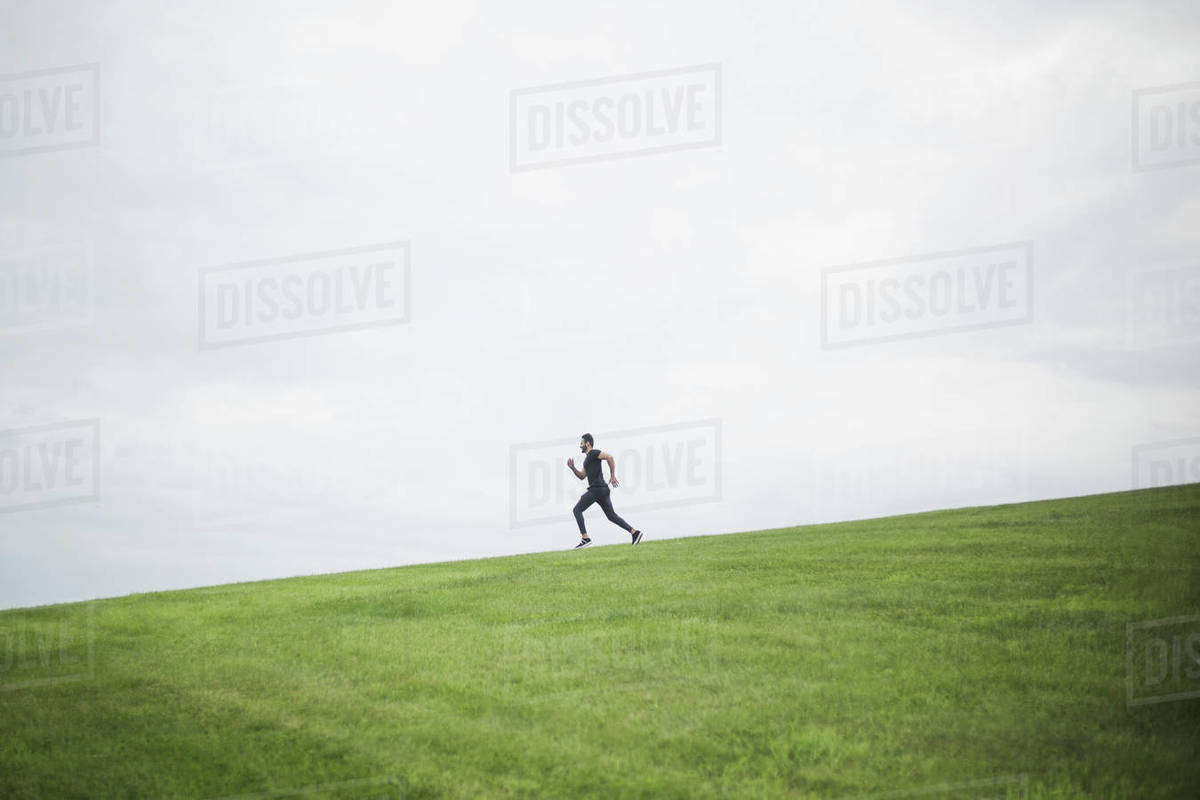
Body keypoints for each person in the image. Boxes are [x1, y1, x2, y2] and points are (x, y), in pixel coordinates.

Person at [566, 433, 643, 549]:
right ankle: (634, 532)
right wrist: (573, 468)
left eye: (581, 443)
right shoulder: (587, 459)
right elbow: (582, 476)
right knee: (611, 516)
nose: (580, 446)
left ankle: (585, 538)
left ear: (587, 443)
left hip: (596, 489)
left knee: (577, 510)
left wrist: (612, 476)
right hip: (603, 490)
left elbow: (609, 457)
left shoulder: (594, 453)